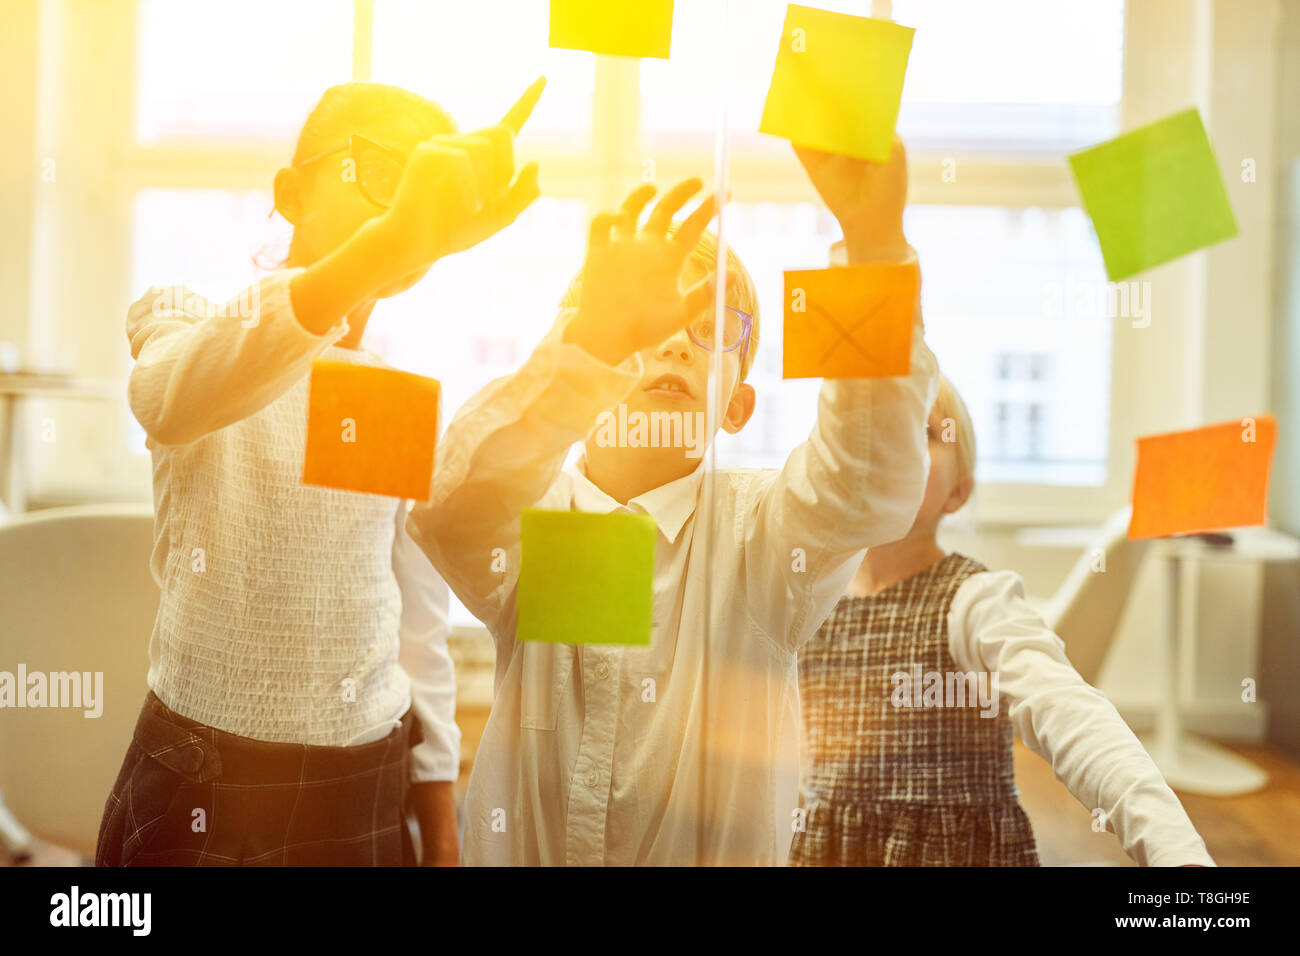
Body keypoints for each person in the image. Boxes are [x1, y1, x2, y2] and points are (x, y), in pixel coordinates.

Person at [407, 137, 940, 865]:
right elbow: (448, 510)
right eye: (647, 326)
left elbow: (867, 479)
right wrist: (590, 343)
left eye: (712, 331)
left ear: (737, 407)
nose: (676, 346)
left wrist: (874, 247)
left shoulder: (763, 536)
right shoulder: (537, 524)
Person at [96, 77, 546, 866]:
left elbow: (415, 628)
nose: (400, 203)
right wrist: (391, 240)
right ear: (291, 192)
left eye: (419, 187)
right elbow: (169, 396)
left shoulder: (389, 394)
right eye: (377, 169)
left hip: (363, 783)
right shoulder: (190, 319)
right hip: (202, 784)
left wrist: (441, 831)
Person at [789, 376, 1215, 867]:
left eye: (924, 430)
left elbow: (1071, 714)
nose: (893, 439)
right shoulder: (808, 597)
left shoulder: (974, 602)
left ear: (957, 493)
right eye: (873, 425)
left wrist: (1176, 853)